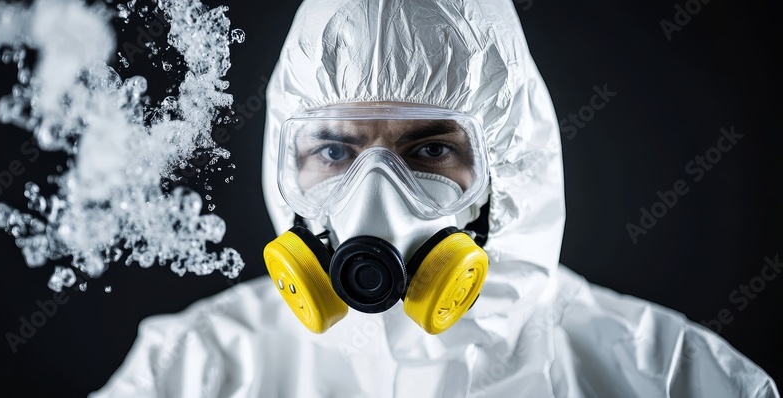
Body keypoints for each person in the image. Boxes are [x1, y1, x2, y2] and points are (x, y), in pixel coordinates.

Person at [92, 0, 779, 396]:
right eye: (334, 152)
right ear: (287, 167)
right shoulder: (192, 373)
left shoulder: (665, 377)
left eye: (428, 151)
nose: (372, 201)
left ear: (507, 165)